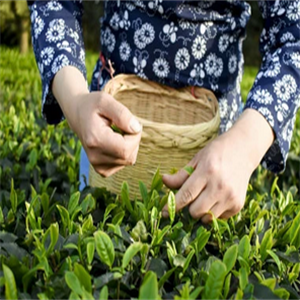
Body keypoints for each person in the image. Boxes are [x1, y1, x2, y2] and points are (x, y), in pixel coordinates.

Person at [27, 0, 300, 223]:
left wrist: (245, 147)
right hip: (105, 138)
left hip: (216, 165)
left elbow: (293, 36)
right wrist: (74, 102)